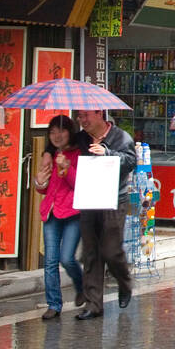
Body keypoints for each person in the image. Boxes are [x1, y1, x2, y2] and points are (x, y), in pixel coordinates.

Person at [73, 109, 136, 319]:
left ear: (99, 113)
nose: (82, 120)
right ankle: (93, 304)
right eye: (79, 117)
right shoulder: (80, 138)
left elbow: (130, 161)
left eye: (85, 115)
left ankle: (124, 282)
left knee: (110, 250)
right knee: (91, 252)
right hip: (89, 198)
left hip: (114, 199)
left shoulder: (120, 137)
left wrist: (107, 153)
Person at [33, 114, 84, 319]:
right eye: (52, 132)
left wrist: (67, 167)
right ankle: (54, 304)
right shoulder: (51, 155)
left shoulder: (79, 153)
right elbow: (45, 189)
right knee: (50, 261)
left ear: (69, 132)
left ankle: (81, 286)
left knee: (67, 258)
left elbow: (79, 185)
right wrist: (39, 182)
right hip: (52, 212)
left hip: (73, 212)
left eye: (60, 131)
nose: (56, 135)